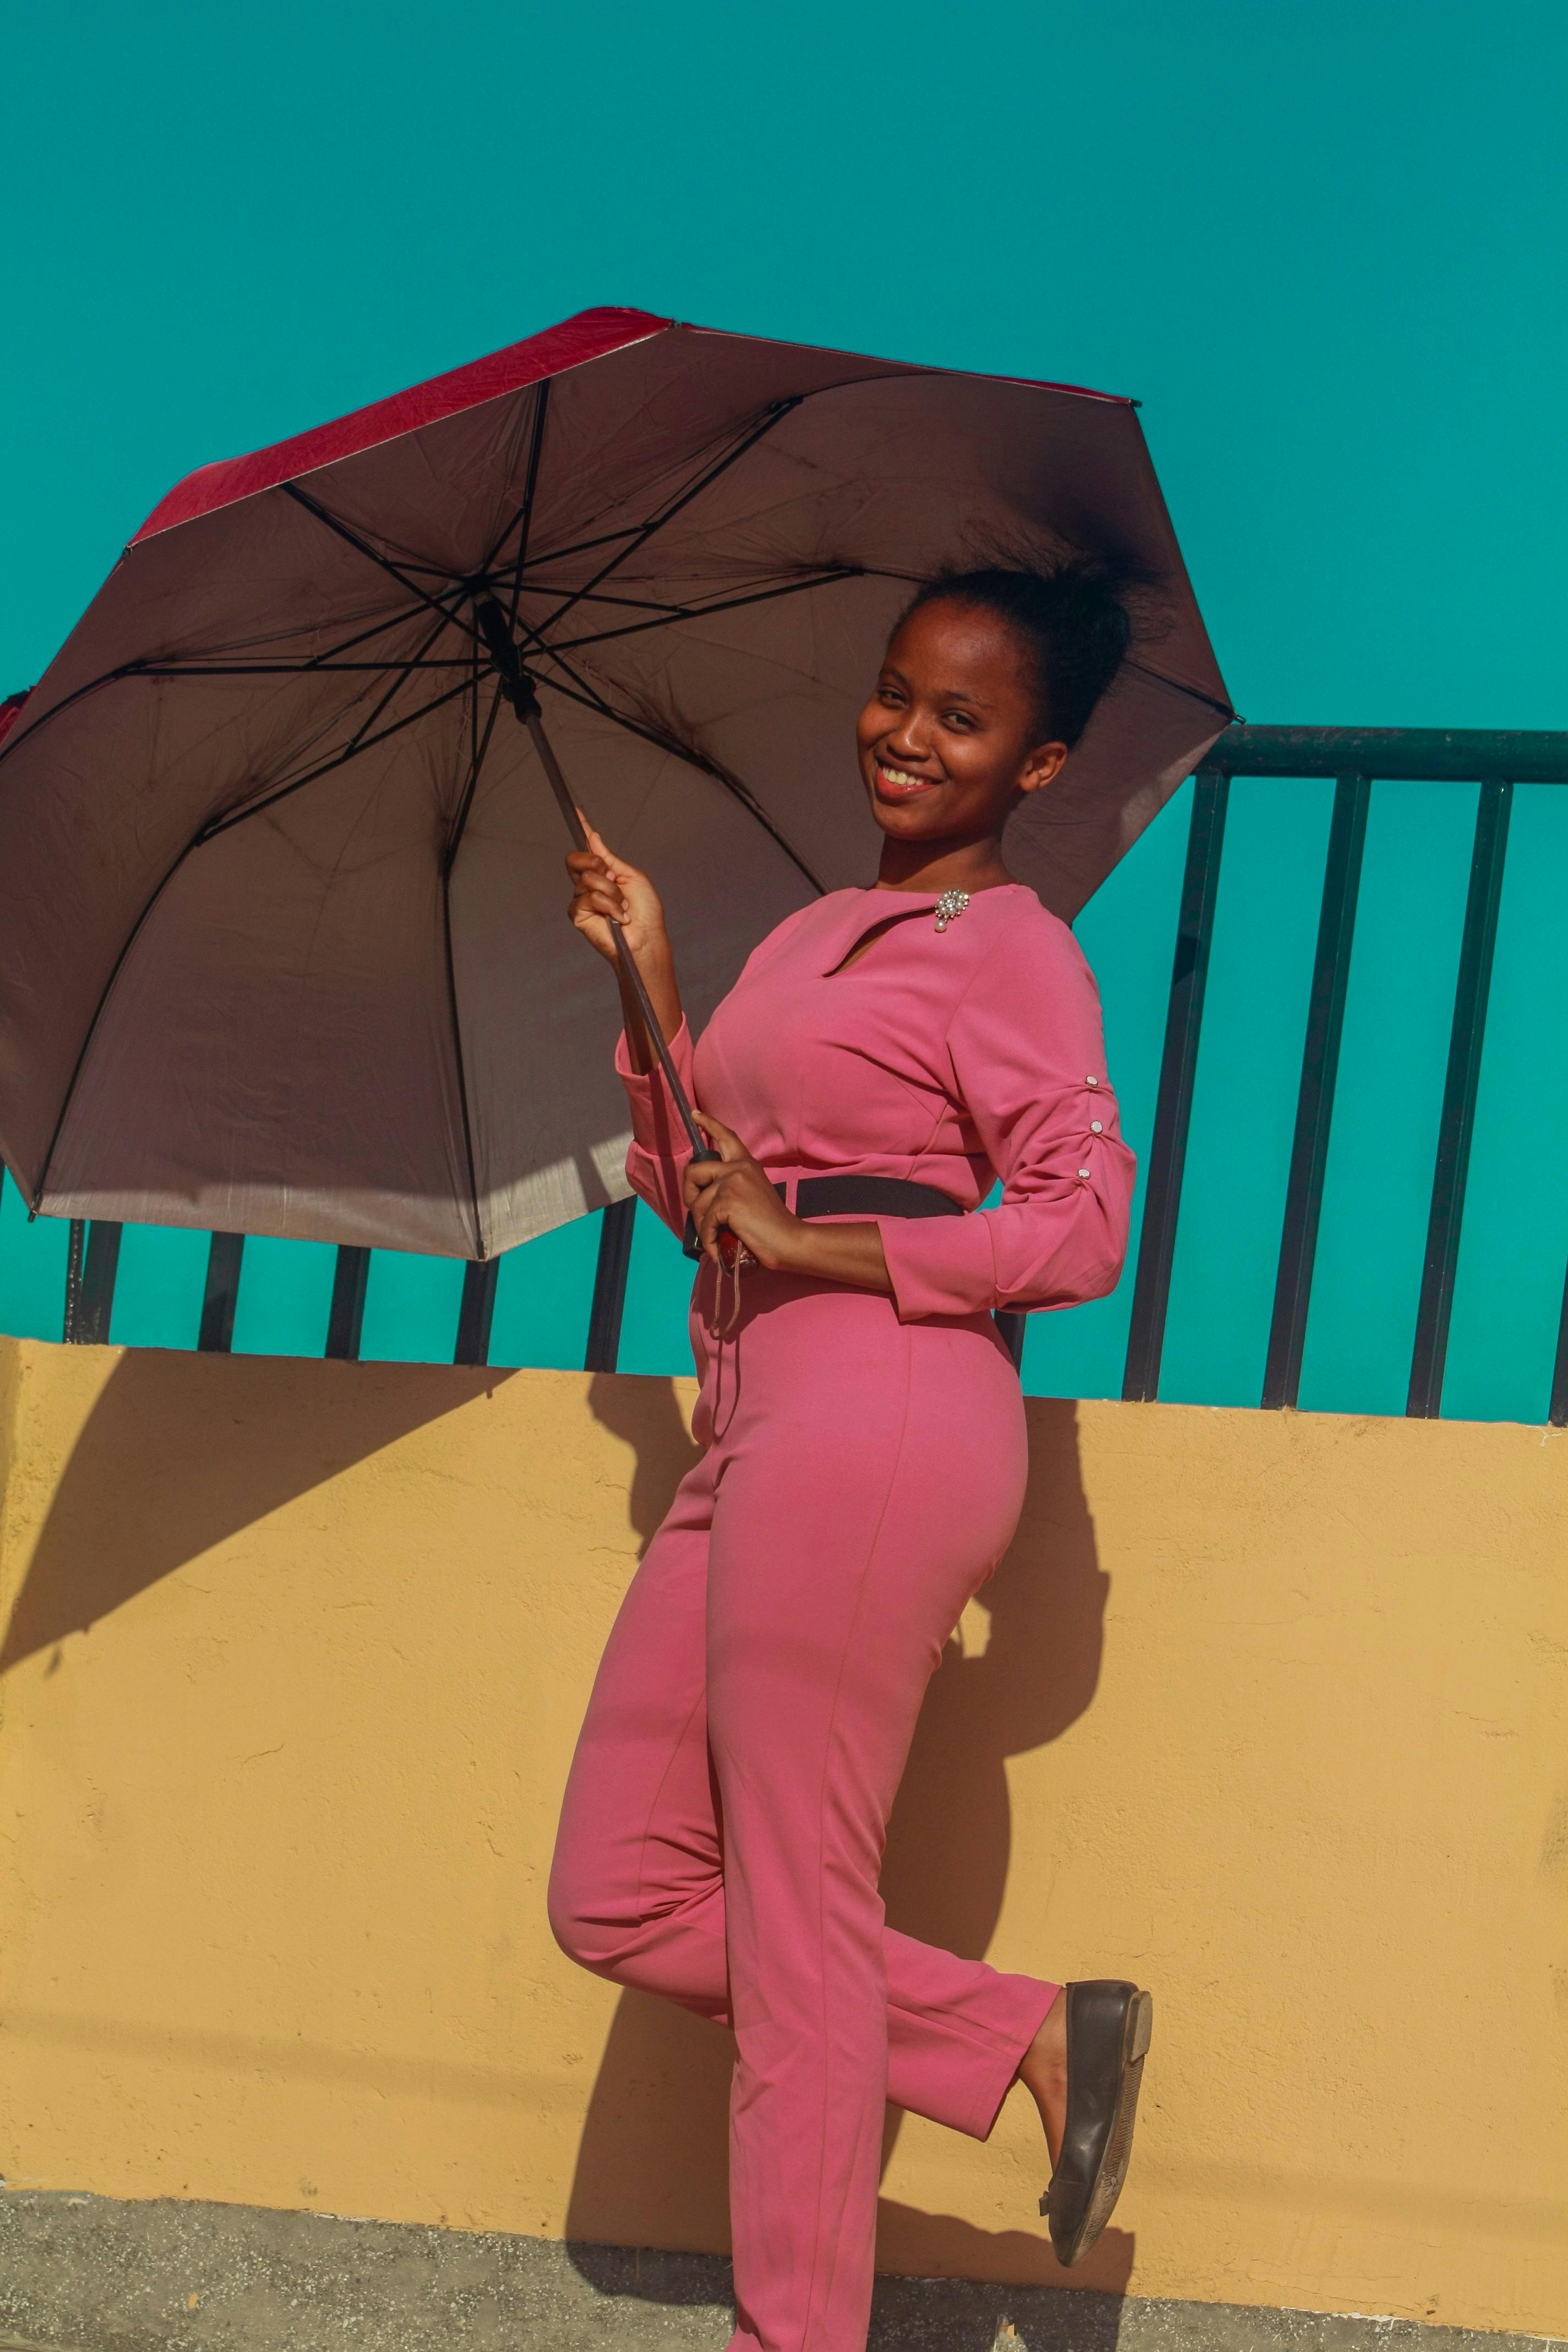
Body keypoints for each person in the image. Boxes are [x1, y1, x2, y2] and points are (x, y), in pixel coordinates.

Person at [548, 564, 1151, 2352]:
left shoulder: (1013, 948)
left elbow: (1083, 1225)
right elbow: (699, 1190)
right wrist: (653, 987)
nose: (905, 734)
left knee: (802, 1921)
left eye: (962, 717)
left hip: (882, 1414)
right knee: (618, 1890)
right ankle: (1021, 2034)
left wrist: (819, 1241)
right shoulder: (812, 931)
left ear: (1038, 764)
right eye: (895, 692)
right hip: (750, 1419)